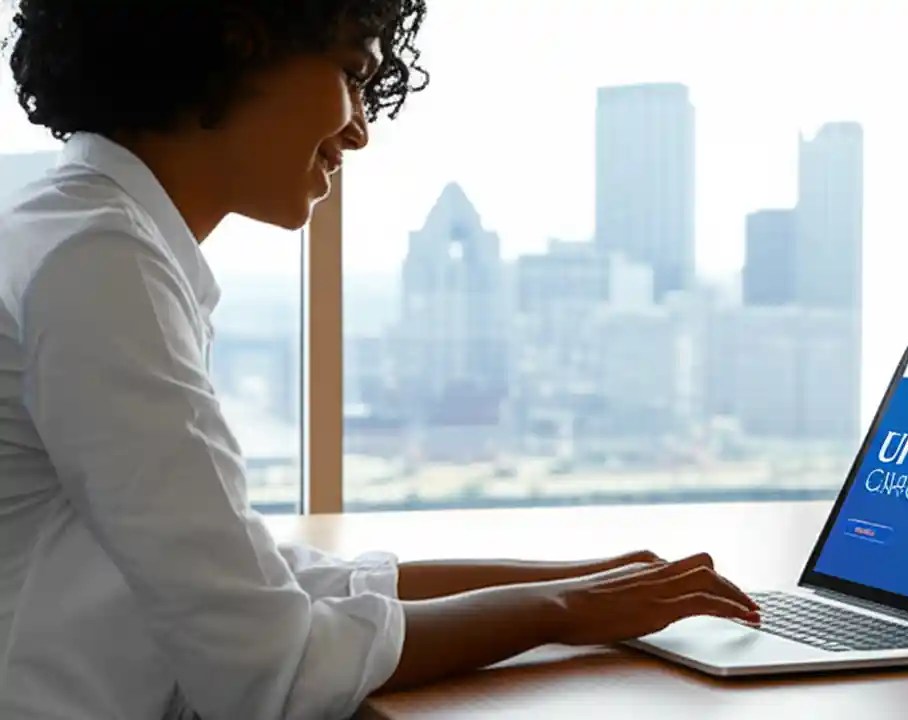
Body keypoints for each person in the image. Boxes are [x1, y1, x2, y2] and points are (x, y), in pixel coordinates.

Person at [0, 2, 759, 717]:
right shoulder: (101, 264)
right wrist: (562, 610)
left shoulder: (79, 233)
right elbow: (272, 665)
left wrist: (581, 581)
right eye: (352, 75)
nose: (360, 130)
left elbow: (257, 586)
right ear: (238, 39)